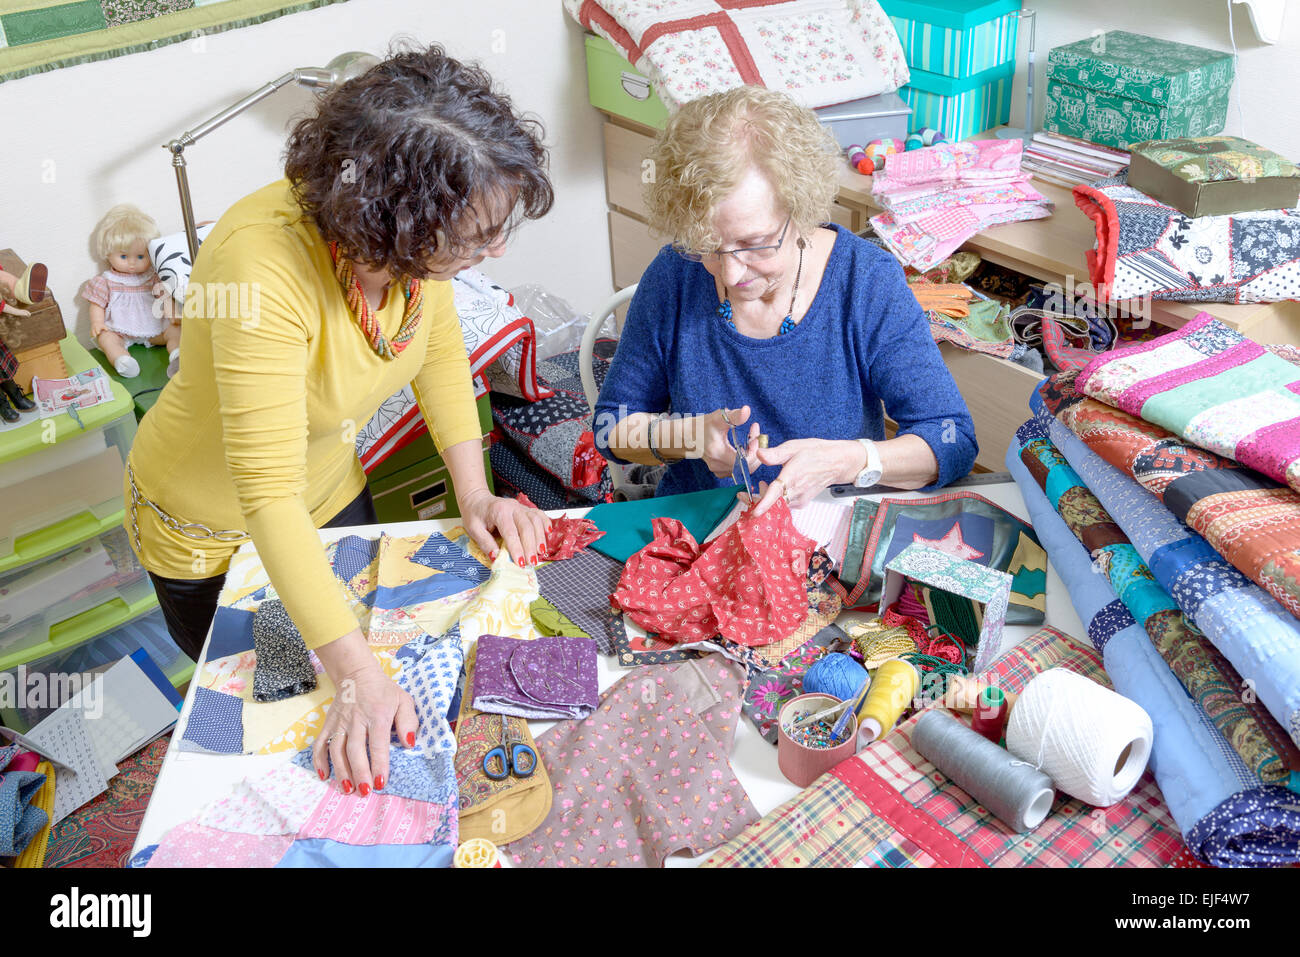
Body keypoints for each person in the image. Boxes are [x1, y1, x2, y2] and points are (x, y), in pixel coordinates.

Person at [126, 45, 552, 797]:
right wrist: (355, 674)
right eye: (476, 237)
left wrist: (475, 492)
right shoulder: (262, 267)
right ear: (395, 220)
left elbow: (440, 354)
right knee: (292, 711)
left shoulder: (411, 251)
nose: (496, 250)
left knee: (365, 674)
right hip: (217, 528)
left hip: (327, 493)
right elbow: (266, 496)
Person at [594, 86, 977, 515]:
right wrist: (686, 437)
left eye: (755, 244)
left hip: (824, 529)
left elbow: (951, 437)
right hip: (698, 527)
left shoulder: (864, 282)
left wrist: (847, 460)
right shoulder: (674, 274)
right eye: (708, 247)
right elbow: (611, 429)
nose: (733, 273)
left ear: (801, 209)